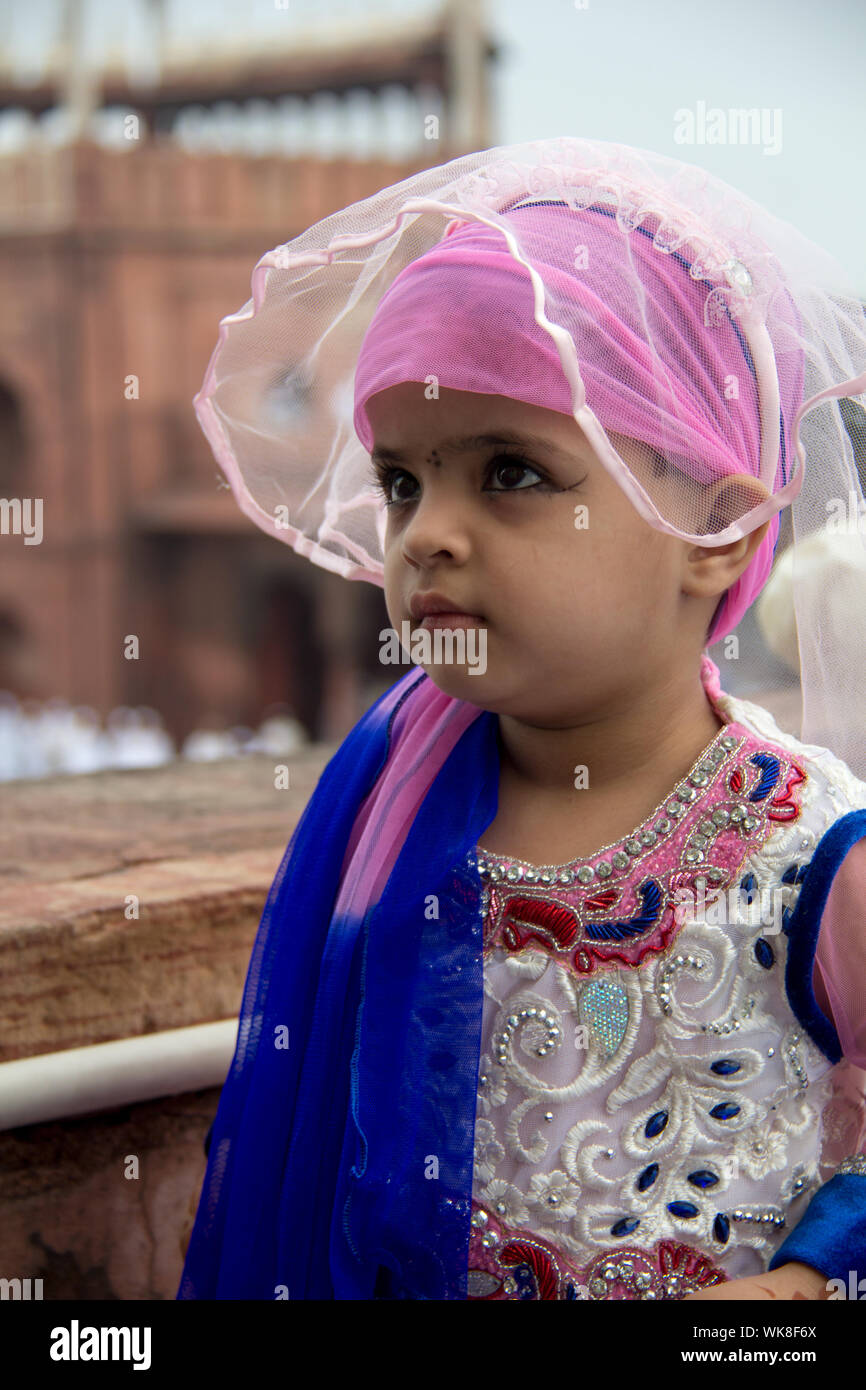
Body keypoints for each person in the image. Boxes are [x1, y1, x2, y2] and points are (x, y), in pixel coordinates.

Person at [177, 138, 866, 1300]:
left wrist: (802, 1284)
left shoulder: (806, 849)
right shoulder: (389, 813)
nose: (426, 534)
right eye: (403, 480)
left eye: (508, 473)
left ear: (721, 533)